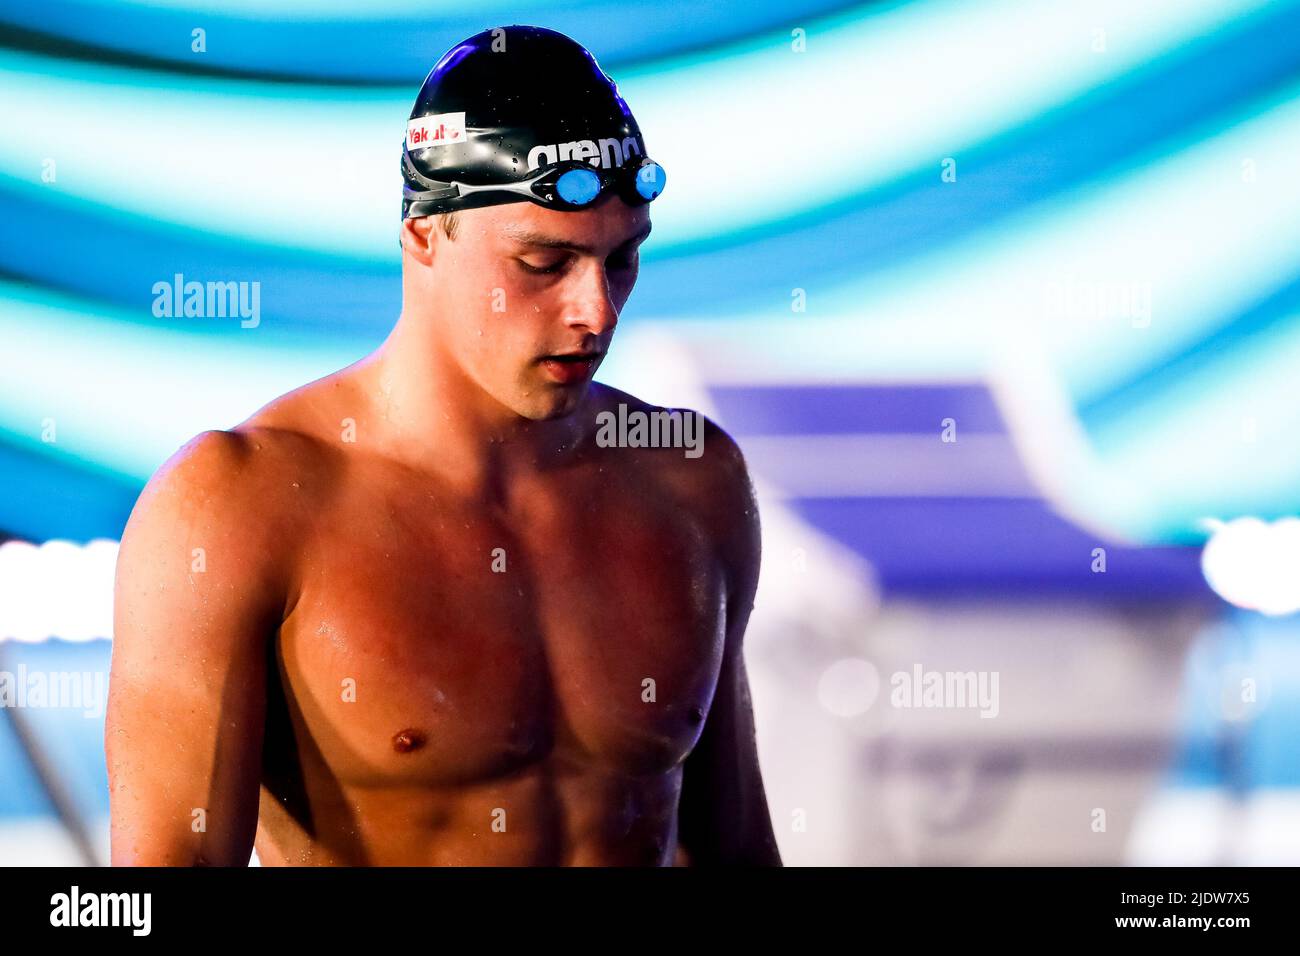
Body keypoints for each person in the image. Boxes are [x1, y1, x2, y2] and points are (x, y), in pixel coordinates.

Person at [106, 24, 781, 866]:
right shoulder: (237, 508)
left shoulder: (691, 481)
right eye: (544, 261)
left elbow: (737, 850)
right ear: (424, 234)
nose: (596, 312)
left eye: (621, 259)